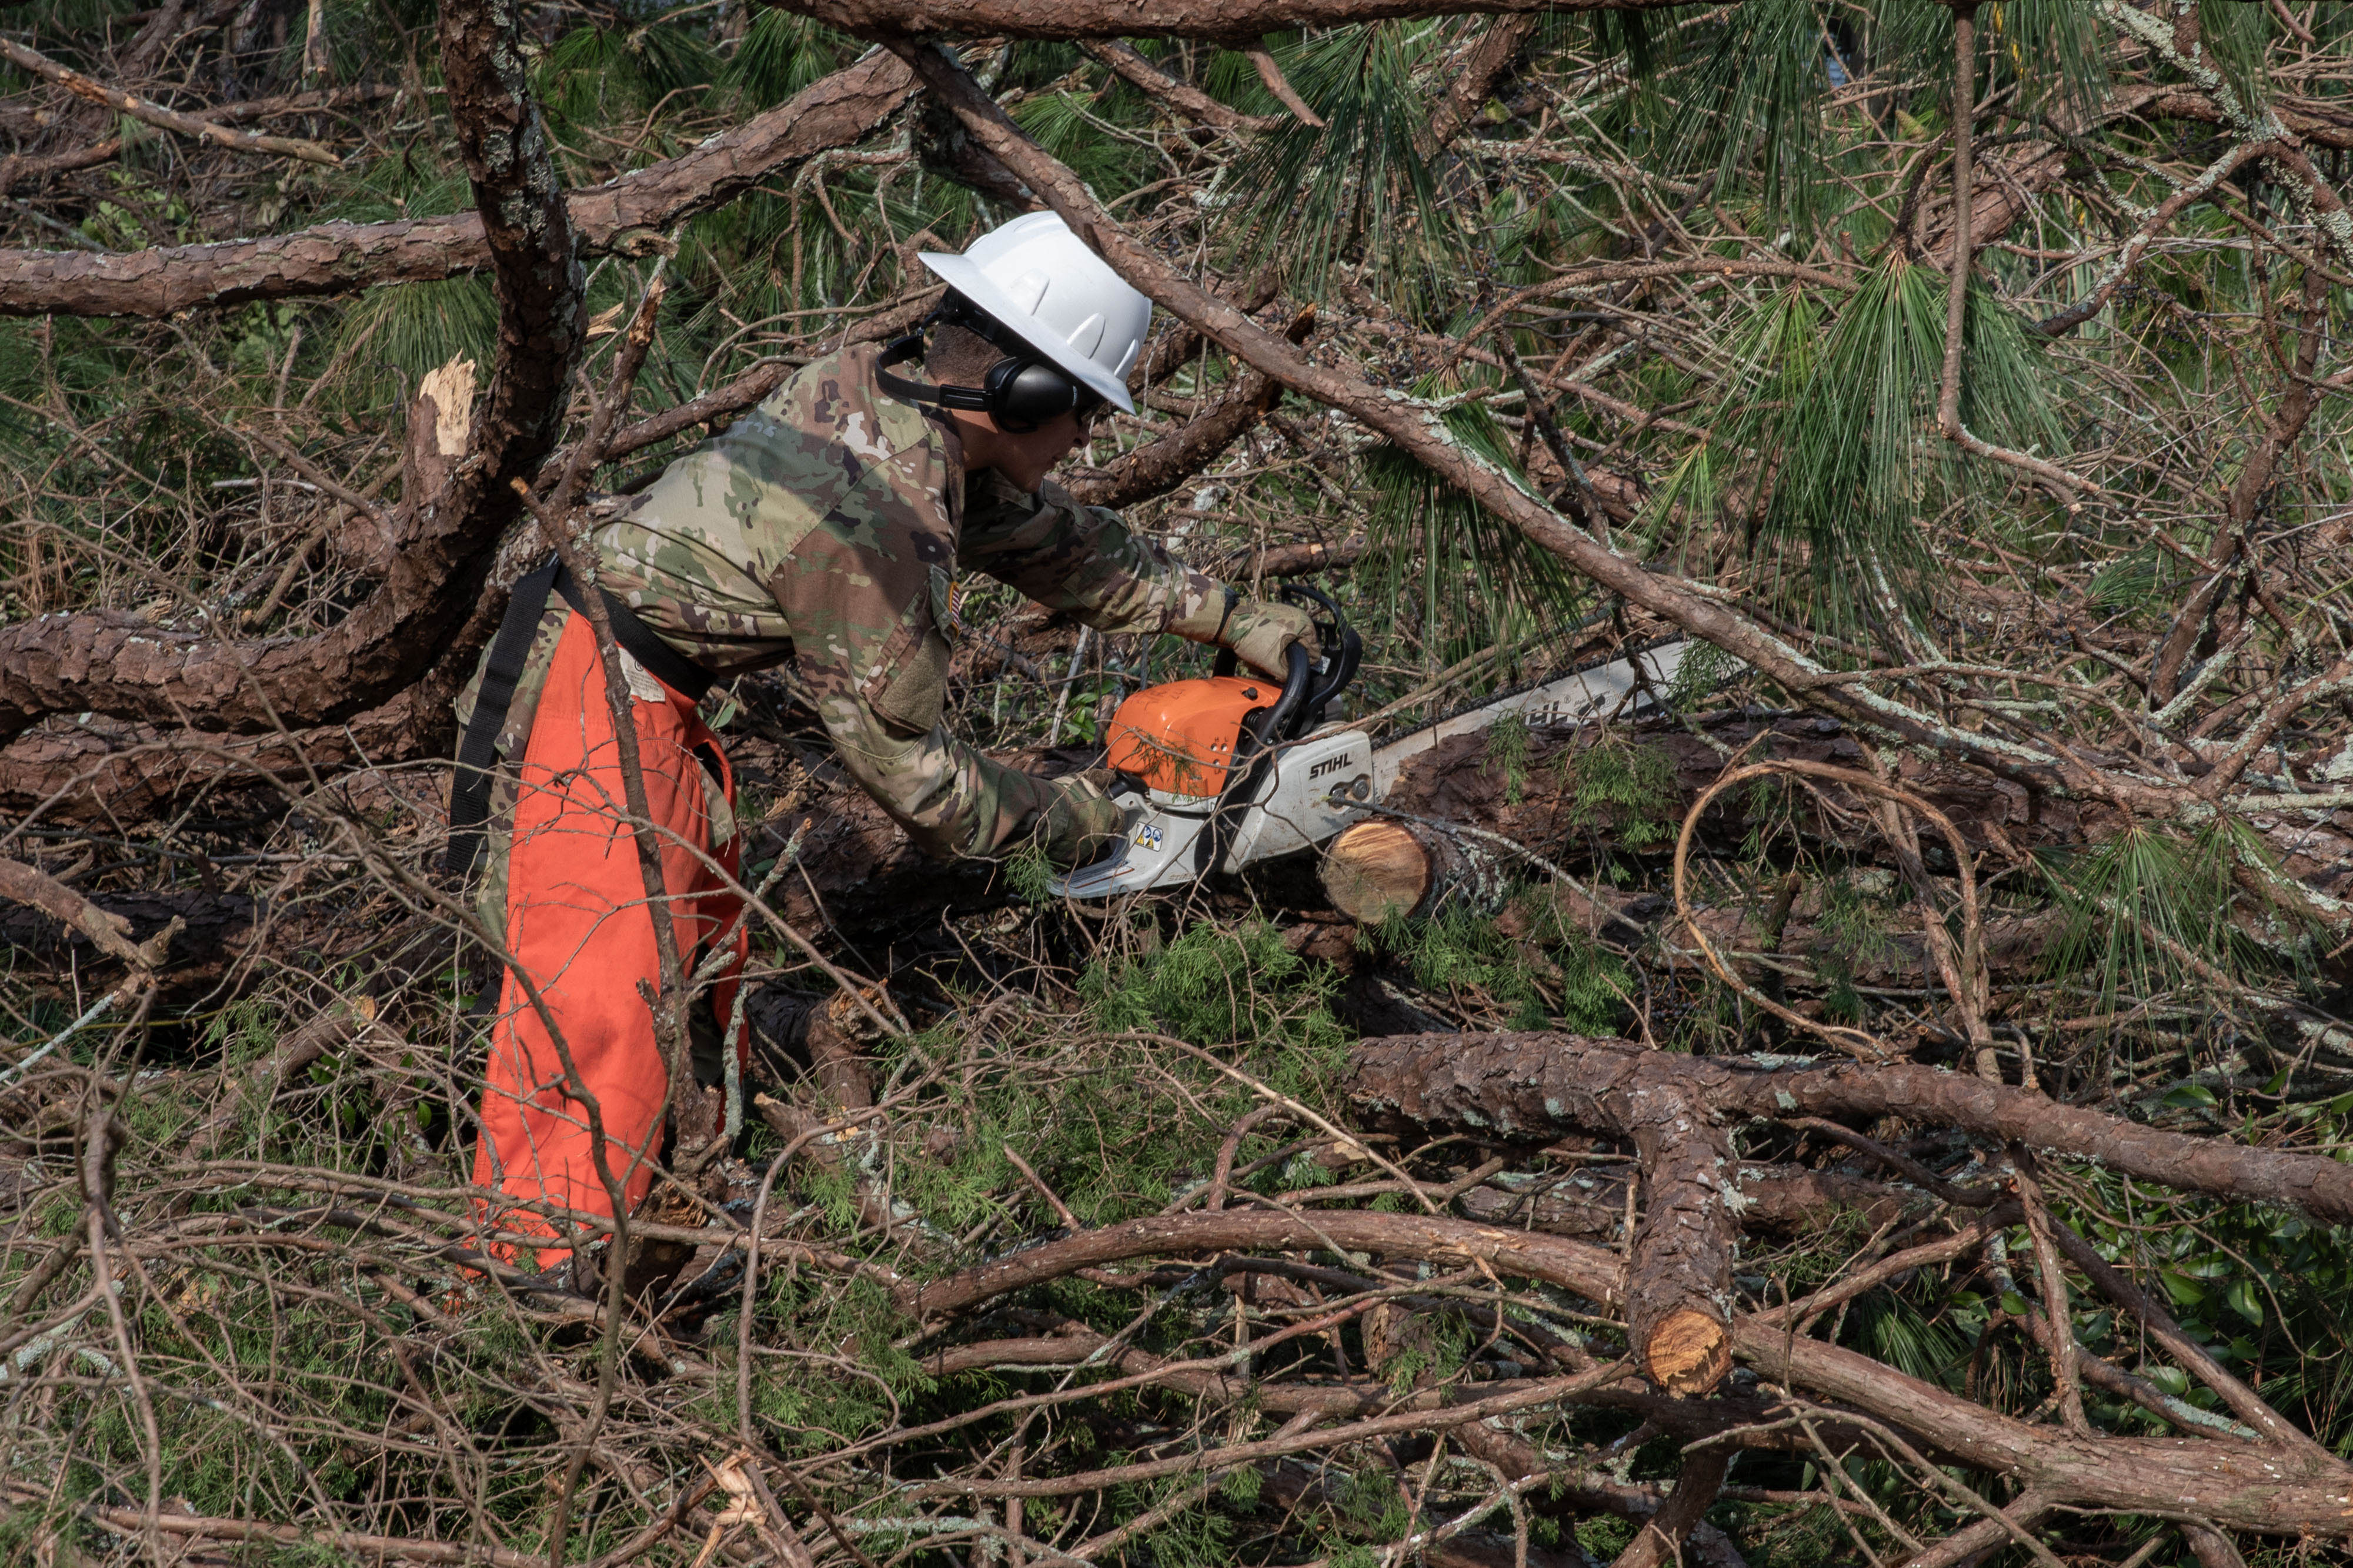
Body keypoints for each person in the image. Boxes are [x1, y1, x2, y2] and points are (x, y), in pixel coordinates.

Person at [447, 211, 1319, 1266]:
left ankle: (655, 1236)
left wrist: (1231, 616)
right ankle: (536, 1288)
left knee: (685, 967)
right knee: (596, 1009)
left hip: (629, 682)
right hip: (592, 702)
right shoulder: (872, 515)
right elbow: (919, 779)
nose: (1087, 437)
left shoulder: (884, 389)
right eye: (1084, 409)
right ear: (1024, 394)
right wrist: (1090, 819)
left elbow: (1049, 541)